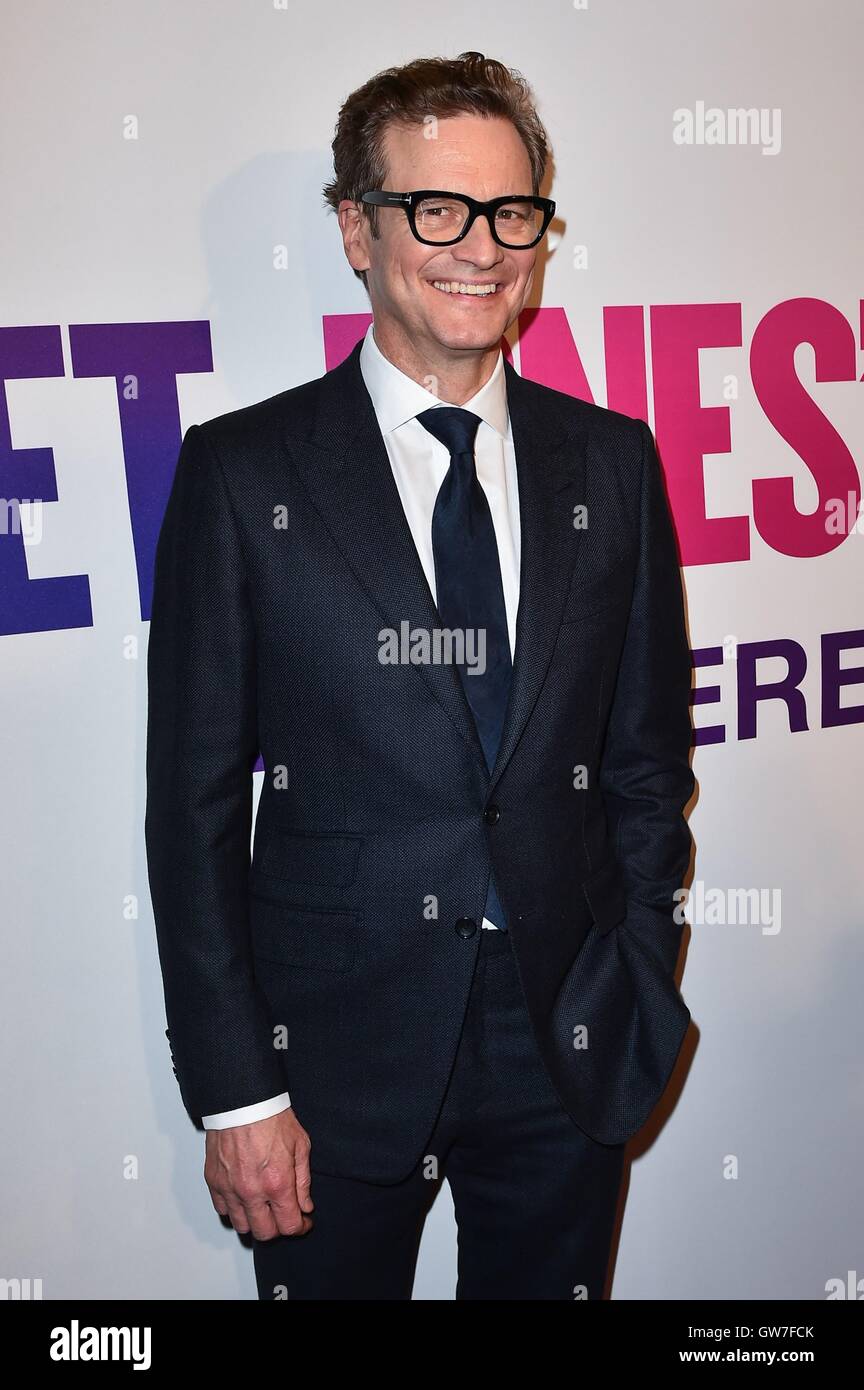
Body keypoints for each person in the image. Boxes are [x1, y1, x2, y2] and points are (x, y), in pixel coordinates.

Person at [145, 51, 695, 1301]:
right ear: (356, 228)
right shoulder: (244, 475)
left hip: (560, 1031)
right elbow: (193, 811)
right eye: (436, 209)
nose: (481, 247)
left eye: (512, 211)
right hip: (332, 1048)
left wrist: (636, 969)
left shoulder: (612, 464)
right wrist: (239, 1085)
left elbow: (648, 761)